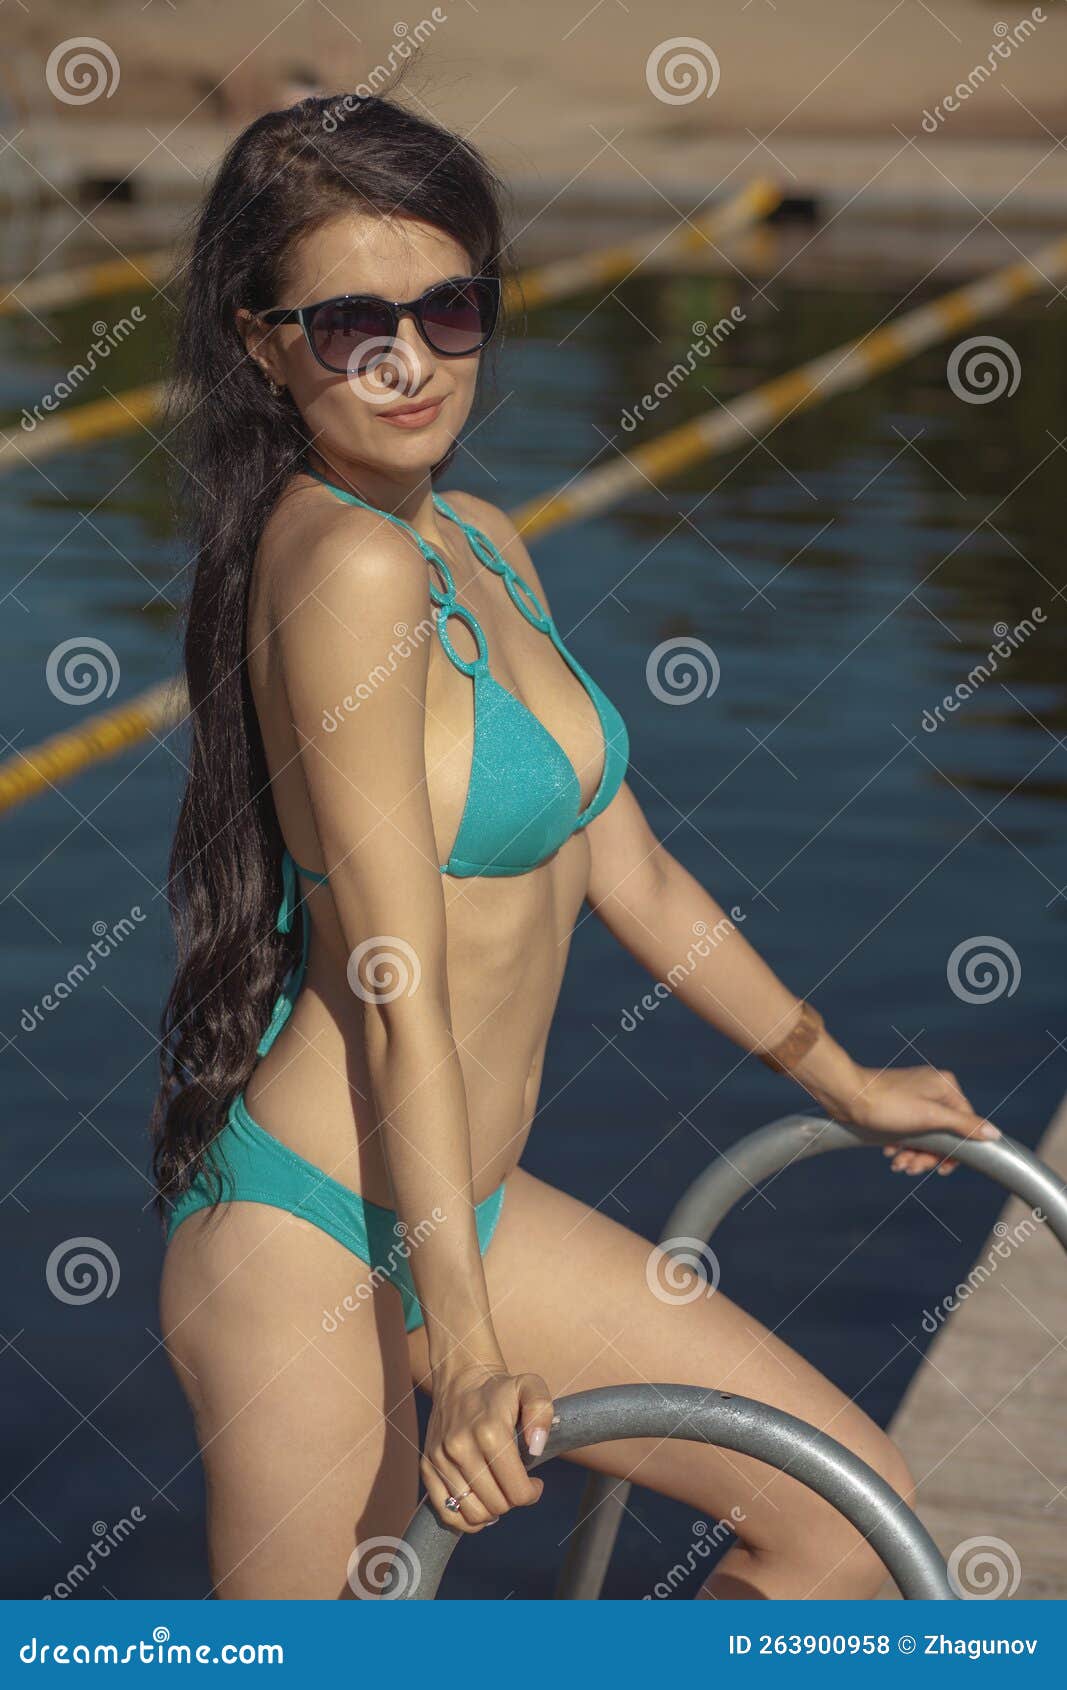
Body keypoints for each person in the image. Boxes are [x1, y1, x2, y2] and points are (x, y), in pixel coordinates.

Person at [151, 93, 999, 1600]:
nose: (412, 360)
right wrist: (463, 1344)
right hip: (310, 1230)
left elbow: (638, 875)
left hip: (458, 1204)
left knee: (850, 1520)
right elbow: (394, 973)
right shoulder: (343, 564)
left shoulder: (477, 537)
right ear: (265, 339)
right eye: (355, 322)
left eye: (449, 307)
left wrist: (842, 1076)